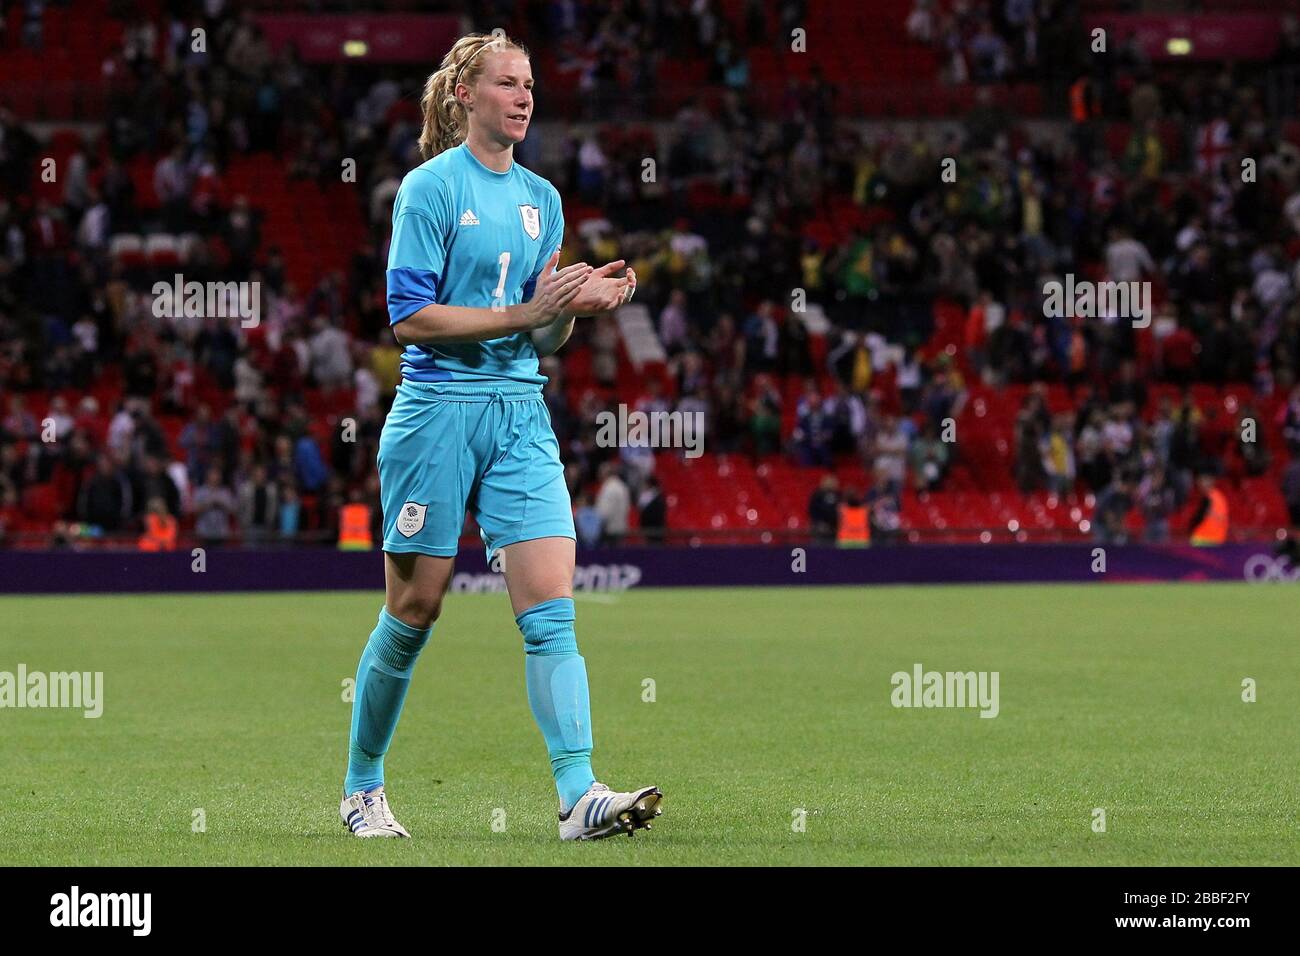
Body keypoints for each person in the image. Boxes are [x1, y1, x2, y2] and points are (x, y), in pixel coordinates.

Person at [340, 32, 662, 842]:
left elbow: (540, 337)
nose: (523, 97)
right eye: (507, 84)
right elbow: (408, 318)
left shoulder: (543, 200)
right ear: (465, 98)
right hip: (438, 413)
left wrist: (571, 310)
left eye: (528, 85)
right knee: (414, 609)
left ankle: (578, 795)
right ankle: (361, 789)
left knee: (553, 606)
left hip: (521, 411)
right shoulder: (428, 190)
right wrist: (527, 313)